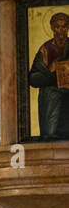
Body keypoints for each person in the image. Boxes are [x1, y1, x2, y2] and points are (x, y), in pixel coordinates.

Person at [28, 11, 69, 139]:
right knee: (52, 134)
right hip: (52, 100)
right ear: (52, 28)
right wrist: (51, 70)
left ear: (68, 28)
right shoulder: (46, 50)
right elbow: (33, 79)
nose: (60, 31)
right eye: (57, 27)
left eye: (64, 26)